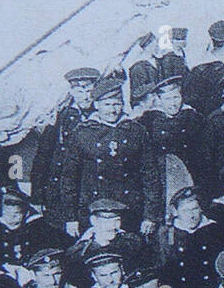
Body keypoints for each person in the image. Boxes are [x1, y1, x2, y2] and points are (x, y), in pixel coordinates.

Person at [59, 76, 161, 238]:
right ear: (96, 105)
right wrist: (70, 218)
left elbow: (150, 175)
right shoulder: (82, 132)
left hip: (130, 210)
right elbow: (69, 178)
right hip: (93, 210)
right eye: (107, 105)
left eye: (117, 104)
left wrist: (150, 215)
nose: (112, 110)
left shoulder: (136, 130)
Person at [31, 67, 100, 222]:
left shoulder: (103, 115)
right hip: (61, 189)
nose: (86, 97)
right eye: (80, 92)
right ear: (72, 92)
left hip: (91, 188)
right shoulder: (59, 118)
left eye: (89, 90)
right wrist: (37, 197)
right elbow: (43, 157)